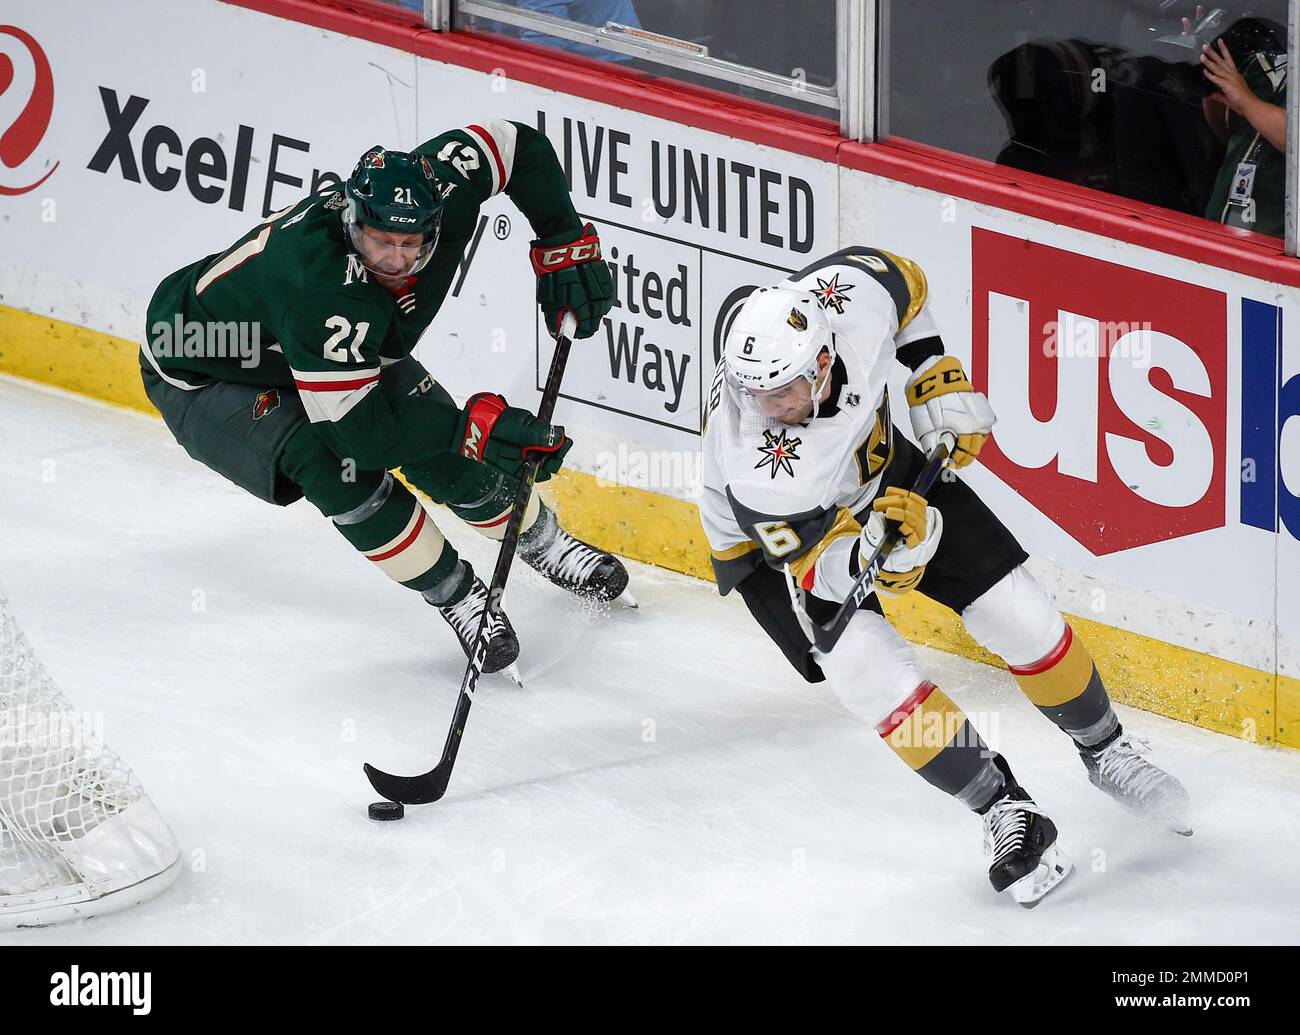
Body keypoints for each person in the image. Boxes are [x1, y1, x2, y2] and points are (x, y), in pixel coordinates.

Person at [699, 246, 1191, 906]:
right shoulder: (752, 464)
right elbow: (823, 569)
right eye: (751, 391)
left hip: (888, 473)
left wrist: (933, 371)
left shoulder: (845, 300)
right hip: (784, 542)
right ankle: (1002, 808)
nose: (764, 405)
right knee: (869, 677)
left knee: (1018, 613)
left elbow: (905, 282)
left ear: (821, 362)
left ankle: (1108, 750)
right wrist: (895, 555)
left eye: (780, 390)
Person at [141, 121, 627, 681]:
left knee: (440, 443)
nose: (396, 260)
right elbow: (361, 436)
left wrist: (563, 240)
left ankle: (547, 545)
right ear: (351, 221)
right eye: (380, 242)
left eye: (410, 243)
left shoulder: (442, 185)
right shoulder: (319, 286)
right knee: (336, 466)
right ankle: (458, 597)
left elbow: (518, 146)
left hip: (310, 346)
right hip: (203, 368)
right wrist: (473, 429)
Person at [1197, 16, 1288, 235]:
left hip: (1276, 233)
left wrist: (1247, 103)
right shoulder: (1258, 48)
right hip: (1223, 220)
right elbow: (1227, 131)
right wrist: (1213, 82)